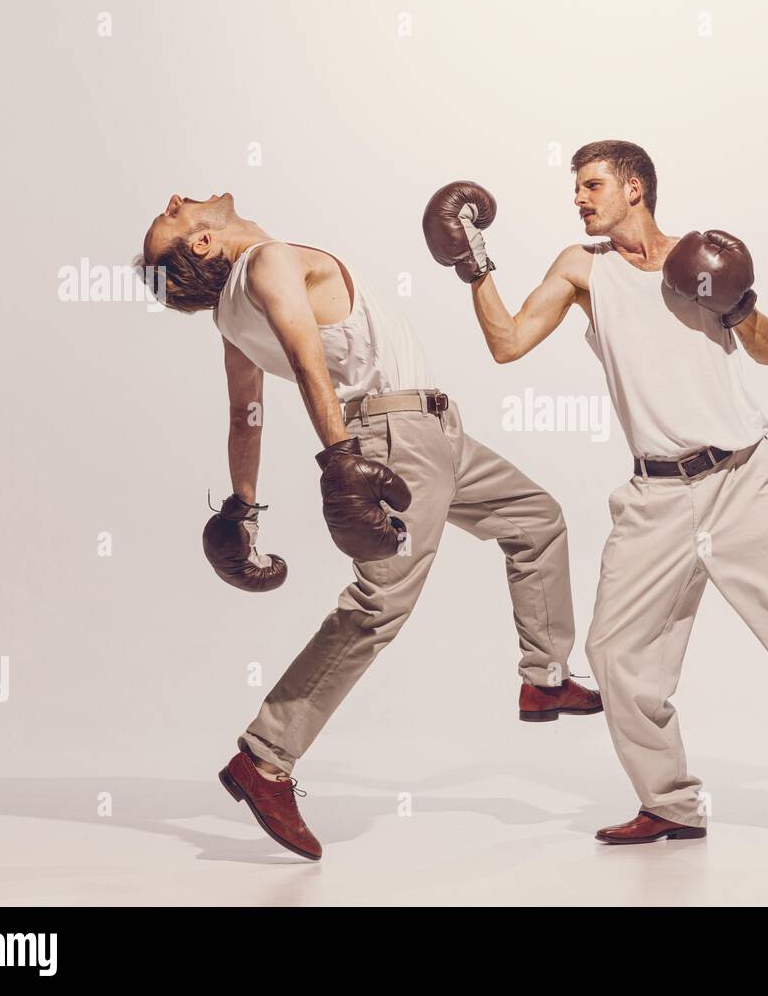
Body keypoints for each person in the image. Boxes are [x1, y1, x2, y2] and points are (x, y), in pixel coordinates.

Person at [422, 141, 768, 849]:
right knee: (613, 648)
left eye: (592, 185)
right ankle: (669, 802)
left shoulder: (700, 256)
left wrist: (741, 304)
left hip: (744, 481)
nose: (579, 199)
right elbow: (506, 343)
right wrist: (474, 266)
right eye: (577, 188)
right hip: (655, 495)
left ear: (634, 187)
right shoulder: (581, 267)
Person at [136, 192, 601, 861]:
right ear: (204, 244)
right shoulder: (267, 262)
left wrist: (242, 507)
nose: (178, 200)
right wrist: (341, 462)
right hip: (394, 437)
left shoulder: (230, 316)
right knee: (378, 605)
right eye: (173, 215)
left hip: (438, 433)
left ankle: (546, 673)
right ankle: (266, 757)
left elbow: (247, 416)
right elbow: (304, 359)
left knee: (535, 519)